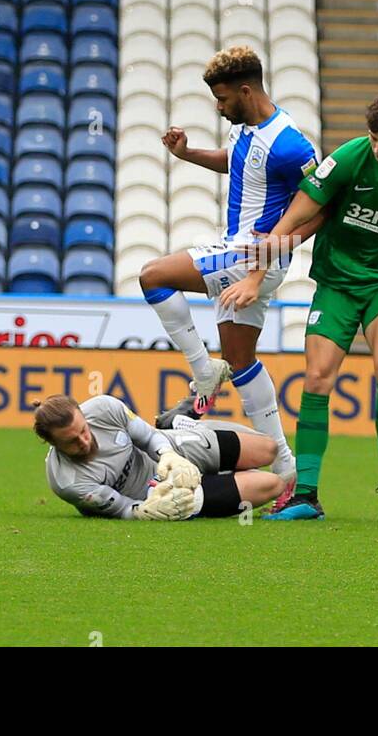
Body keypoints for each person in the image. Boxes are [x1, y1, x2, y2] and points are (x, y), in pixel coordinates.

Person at [219, 92, 378, 522]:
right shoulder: (346, 160)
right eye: (374, 138)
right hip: (337, 282)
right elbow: (297, 213)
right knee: (318, 379)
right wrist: (258, 268)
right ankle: (307, 495)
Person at [138, 46, 322, 502]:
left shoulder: (290, 143)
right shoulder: (248, 129)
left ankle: (203, 375)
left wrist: (272, 254)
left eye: (222, 99)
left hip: (249, 253)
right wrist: (189, 154)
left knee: (152, 276)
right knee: (241, 361)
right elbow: (237, 161)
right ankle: (285, 469)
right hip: (247, 256)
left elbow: (323, 202)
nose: (218, 108)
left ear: (245, 90)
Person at [36, 394, 286, 520]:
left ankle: (180, 423)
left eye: (83, 430)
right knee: (273, 484)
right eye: (71, 441)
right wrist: (150, 509)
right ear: (52, 443)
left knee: (269, 450)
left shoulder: (103, 407)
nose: (84, 441)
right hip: (159, 493)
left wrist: (169, 455)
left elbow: (146, 437)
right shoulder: (68, 482)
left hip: (169, 451)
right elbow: (124, 508)